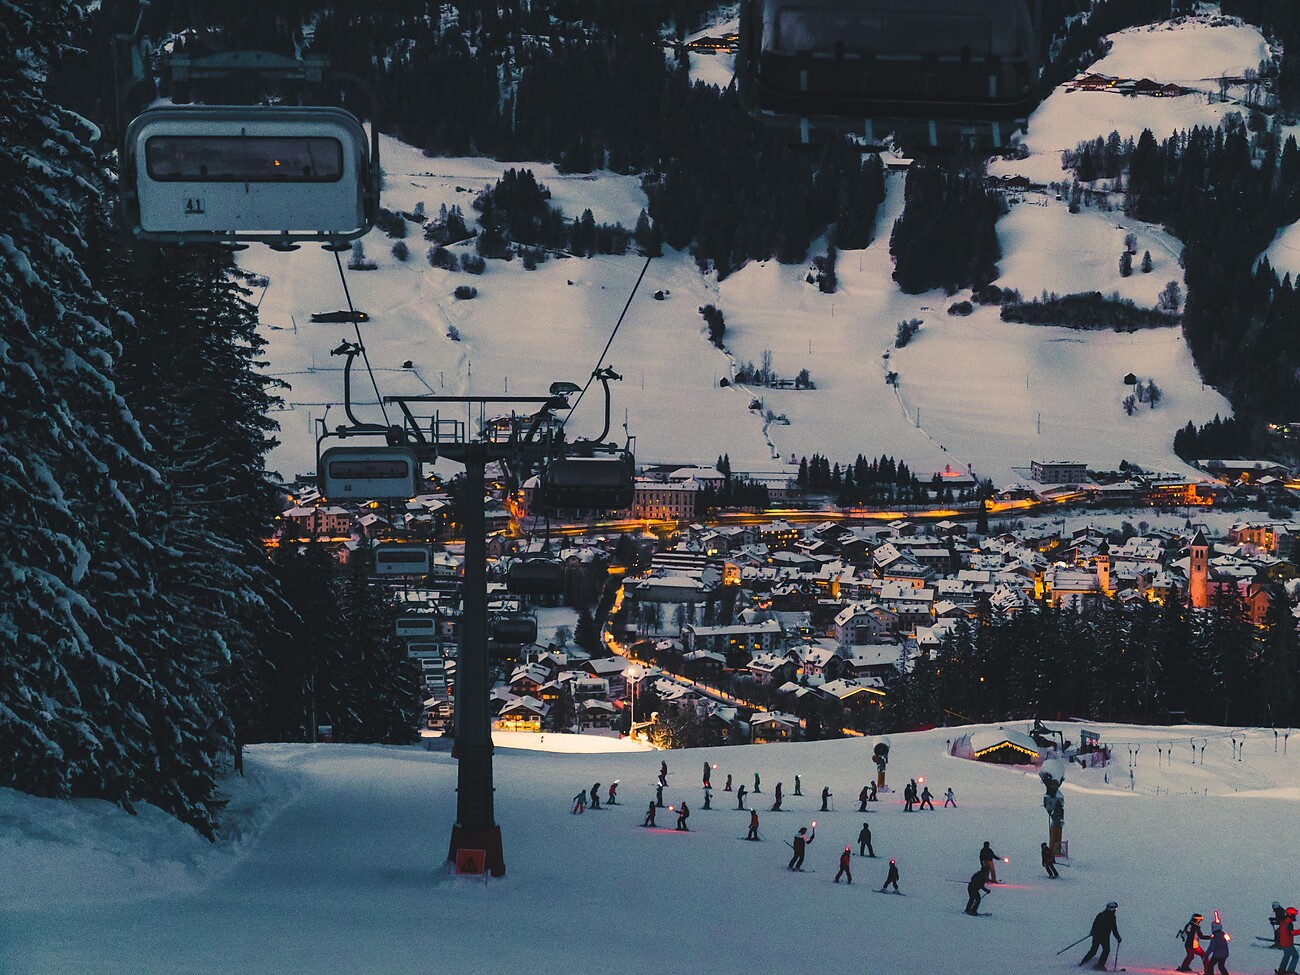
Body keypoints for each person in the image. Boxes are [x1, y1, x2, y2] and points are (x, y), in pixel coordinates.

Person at [1079, 901, 1121, 970]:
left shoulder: (1100, 915)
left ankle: (1082, 963)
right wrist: (1118, 938)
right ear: (1112, 909)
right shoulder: (1112, 917)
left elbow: (1094, 924)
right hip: (1104, 937)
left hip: (1096, 935)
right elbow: (1114, 929)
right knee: (1106, 950)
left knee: (1093, 950)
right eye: (1115, 909)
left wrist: (1092, 932)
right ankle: (1100, 965)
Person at [1279, 906, 1299, 975]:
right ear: (1290, 915)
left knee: (1286, 956)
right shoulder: (1288, 923)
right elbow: (1292, 933)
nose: (1295, 917)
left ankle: (1281, 971)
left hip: (1283, 943)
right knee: (1296, 956)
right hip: (1288, 944)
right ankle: (1290, 972)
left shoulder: (1284, 921)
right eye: (1294, 915)